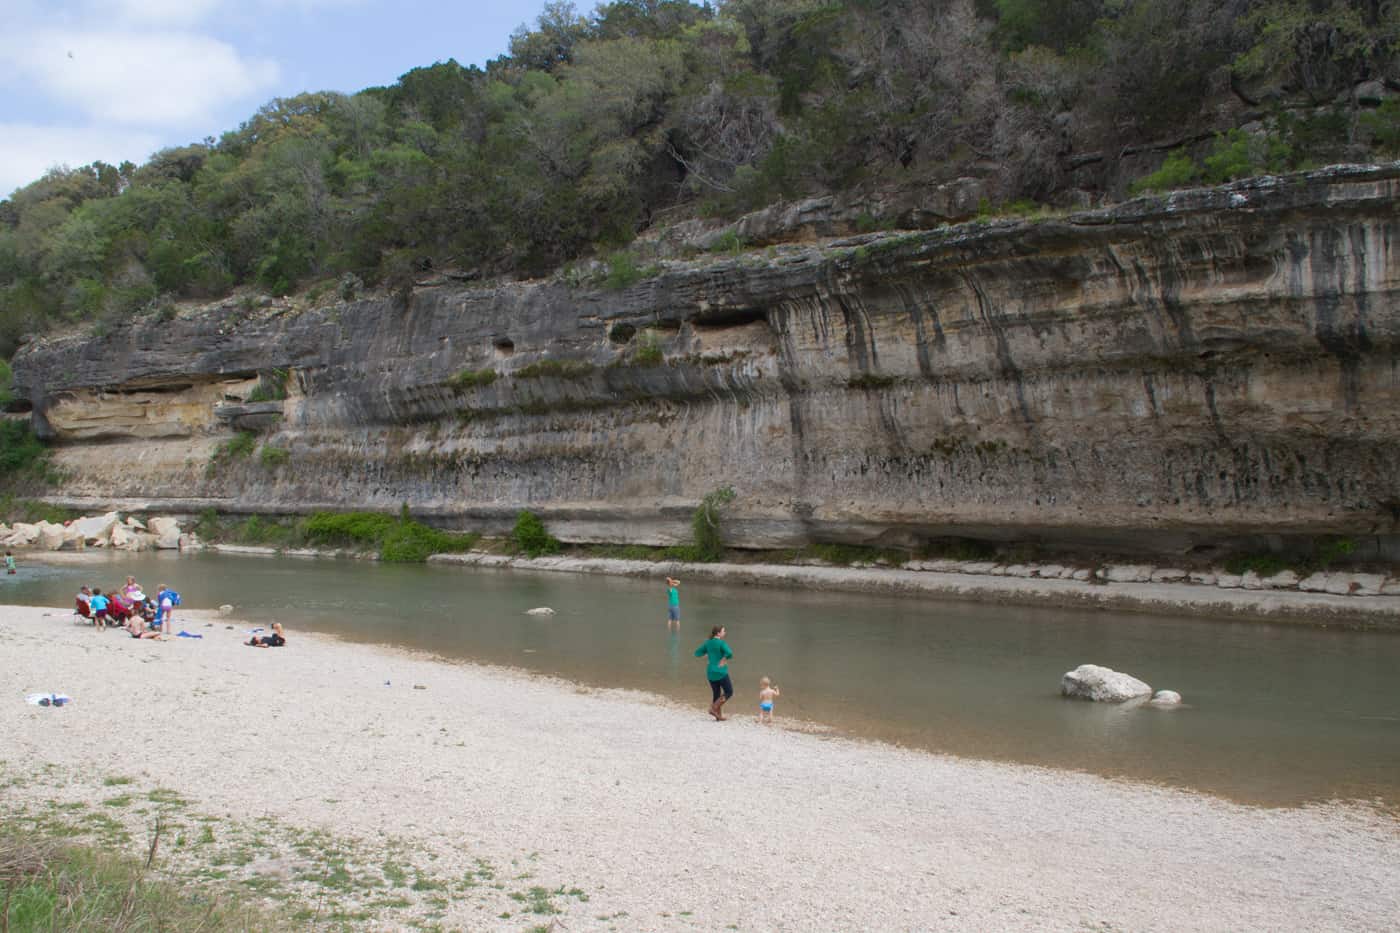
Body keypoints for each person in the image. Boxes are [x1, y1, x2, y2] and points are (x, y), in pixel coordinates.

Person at [694, 625, 734, 720]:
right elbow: (730, 653)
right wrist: (724, 659)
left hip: (710, 672)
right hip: (720, 672)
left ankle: (718, 716)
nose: (725, 633)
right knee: (729, 691)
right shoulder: (721, 643)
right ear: (718, 633)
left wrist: (708, 655)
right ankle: (713, 708)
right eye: (723, 631)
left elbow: (697, 653)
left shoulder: (708, 643)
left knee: (716, 694)